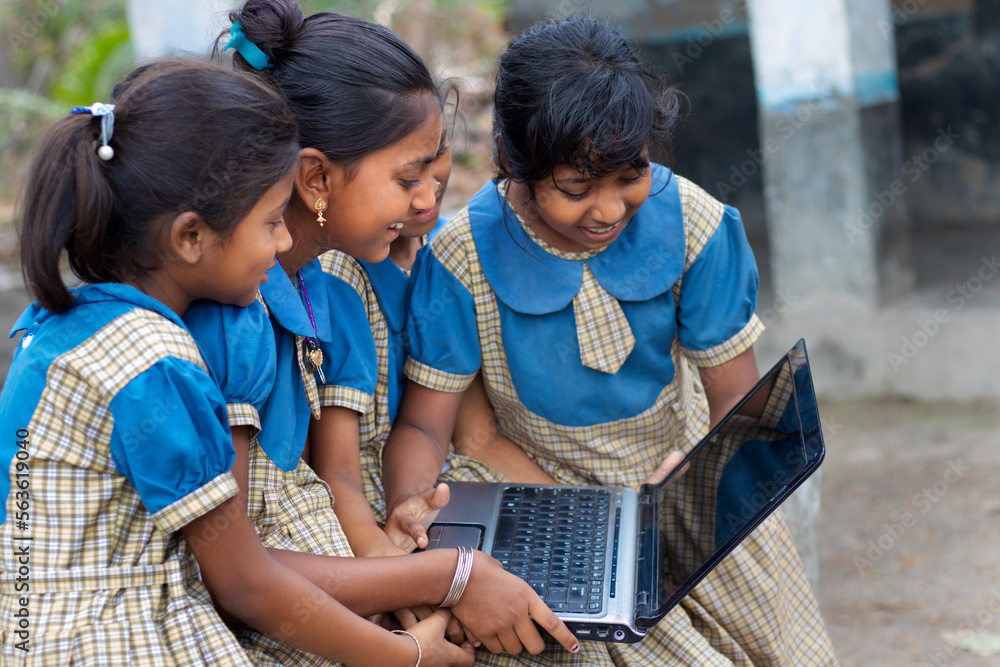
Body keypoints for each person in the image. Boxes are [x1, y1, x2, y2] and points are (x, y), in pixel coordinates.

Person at [383, 15, 839, 666]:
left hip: (679, 489)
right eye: (575, 188)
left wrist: (693, 473)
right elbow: (434, 430)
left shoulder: (695, 225)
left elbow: (737, 406)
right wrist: (411, 507)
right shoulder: (461, 259)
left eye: (631, 175)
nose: (606, 210)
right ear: (512, 162)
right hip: (535, 501)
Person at [0, 57, 469, 667]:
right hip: (107, 635)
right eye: (271, 222)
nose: (281, 244)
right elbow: (245, 583)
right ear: (189, 237)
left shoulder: (63, 326)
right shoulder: (159, 365)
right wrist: (406, 654)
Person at [182, 2, 582, 664]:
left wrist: (391, 551)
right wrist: (438, 584)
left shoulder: (326, 299)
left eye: (436, 167)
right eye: (406, 177)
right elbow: (233, 574)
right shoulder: (231, 318)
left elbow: (336, 482)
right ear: (314, 178)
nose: (429, 199)